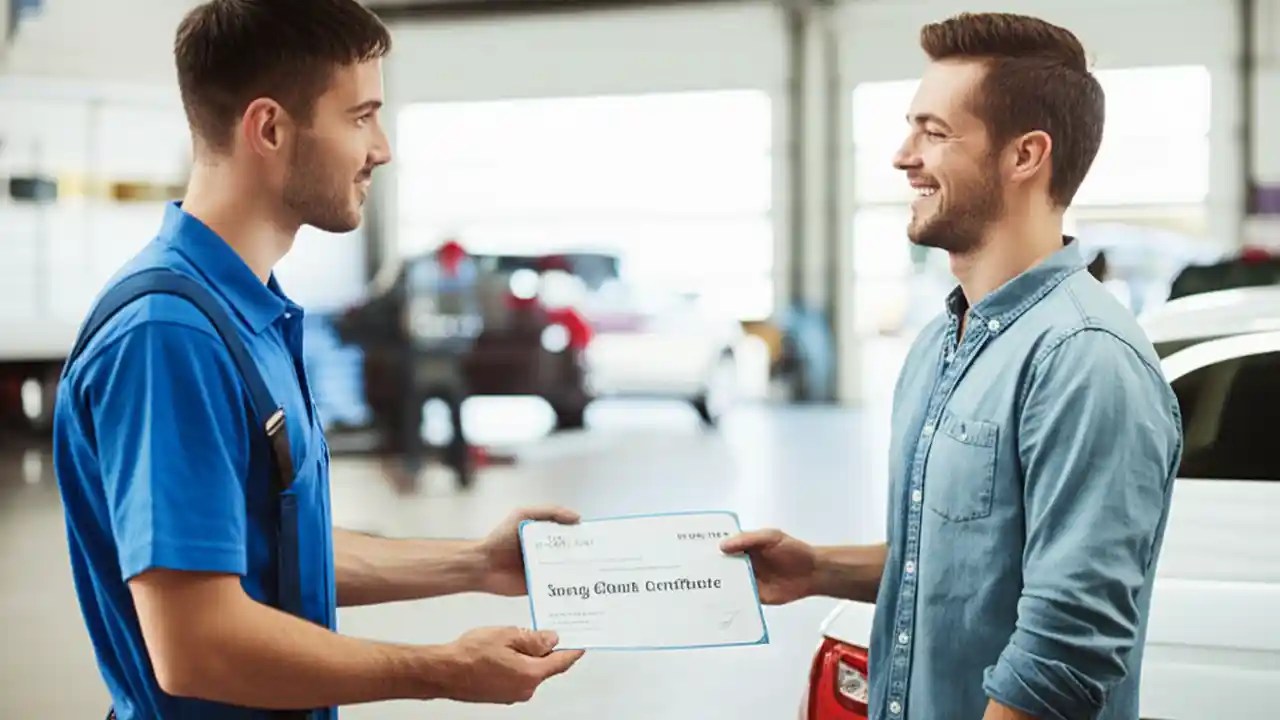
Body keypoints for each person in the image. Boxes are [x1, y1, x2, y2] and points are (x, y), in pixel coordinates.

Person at [51, 1, 583, 718]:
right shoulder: (170, 337)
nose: (382, 146)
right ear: (269, 128)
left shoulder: (246, 308)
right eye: (360, 116)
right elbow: (197, 644)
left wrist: (474, 564)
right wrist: (440, 669)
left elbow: (267, 546)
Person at [724, 13, 1182, 720]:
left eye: (933, 132)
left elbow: (1065, 650)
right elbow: (957, 563)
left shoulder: (1086, 359)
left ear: (1024, 155)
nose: (903, 156)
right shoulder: (944, 341)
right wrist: (817, 568)